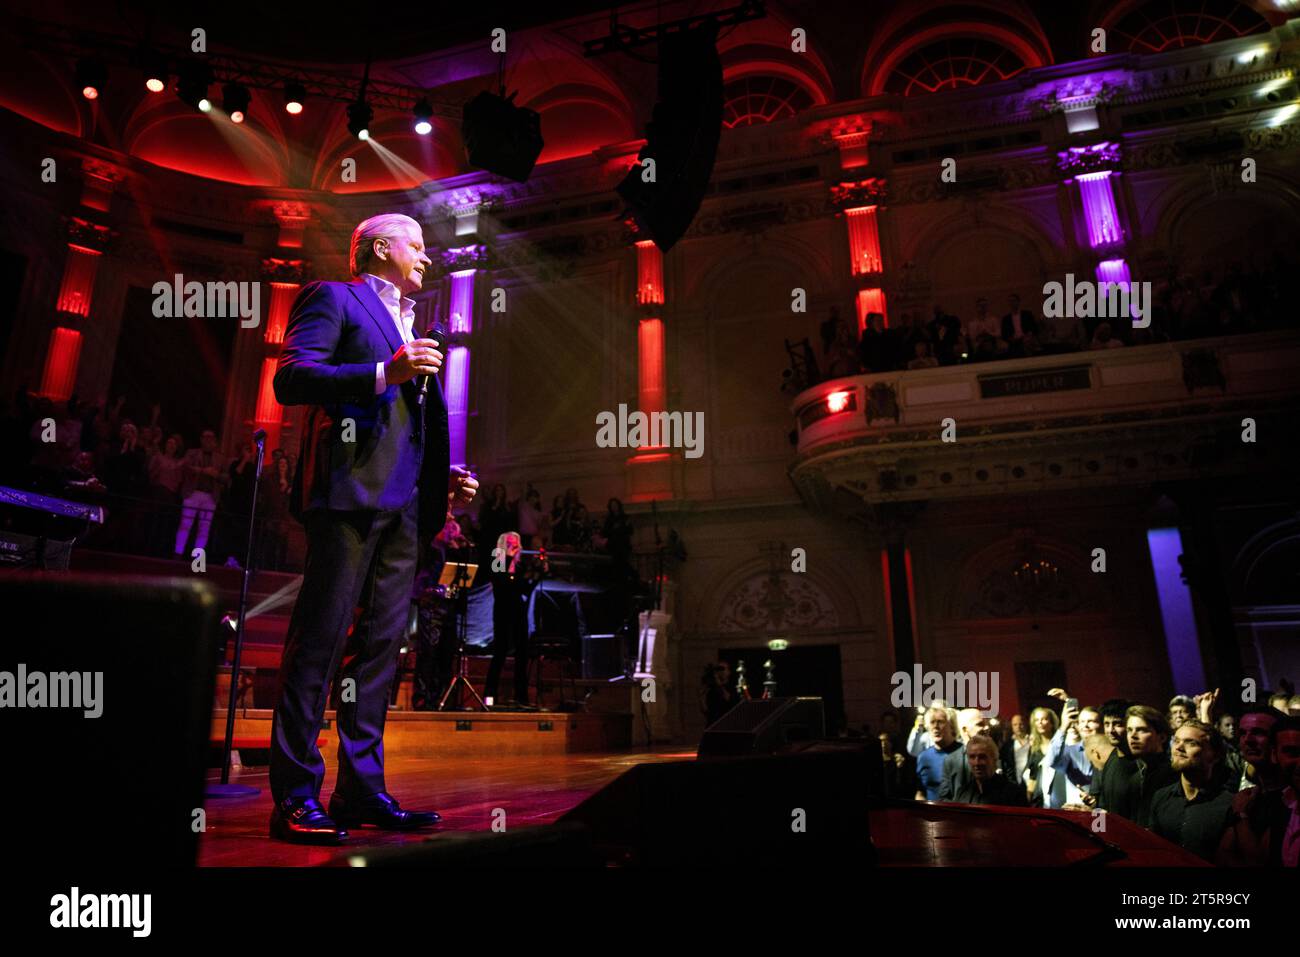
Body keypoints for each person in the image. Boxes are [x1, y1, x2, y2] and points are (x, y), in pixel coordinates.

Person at [267, 212, 478, 845]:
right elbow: (291, 378)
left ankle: (361, 790)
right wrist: (385, 371)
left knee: (380, 653)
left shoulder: (413, 323)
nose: (427, 255)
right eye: (417, 244)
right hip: (348, 496)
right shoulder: (334, 297)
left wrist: (443, 482)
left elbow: (408, 425)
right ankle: (297, 796)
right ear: (381, 248)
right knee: (320, 643)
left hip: (406, 510)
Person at [1147, 720, 1234, 862]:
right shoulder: (1161, 797)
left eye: (1191, 743)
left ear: (1215, 755)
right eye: (1176, 741)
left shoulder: (1229, 805)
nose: (1179, 747)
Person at [485, 531, 544, 710]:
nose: (515, 546)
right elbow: (499, 582)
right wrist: (509, 558)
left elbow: (524, 589)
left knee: (522, 654)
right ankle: (490, 696)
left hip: (518, 610)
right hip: (502, 610)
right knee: (500, 652)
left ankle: (522, 698)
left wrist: (538, 572)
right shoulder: (497, 557)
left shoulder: (520, 565)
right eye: (511, 542)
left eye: (517, 542)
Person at [173, 429, 228, 558]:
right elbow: (185, 466)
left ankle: (197, 559)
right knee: (185, 524)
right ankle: (178, 554)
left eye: (211, 437)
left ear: (214, 440)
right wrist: (203, 471)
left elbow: (226, 477)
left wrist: (217, 475)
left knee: (204, 528)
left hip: (210, 496)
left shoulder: (220, 457)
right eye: (205, 437)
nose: (208, 440)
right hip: (192, 493)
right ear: (201, 439)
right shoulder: (192, 453)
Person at [1127, 705, 1178, 827]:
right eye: (1129, 730)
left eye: (1142, 730)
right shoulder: (1136, 777)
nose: (1133, 736)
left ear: (1162, 737)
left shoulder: (1173, 775)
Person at [951, 735, 1027, 807]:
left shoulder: (1014, 794)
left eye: (982, 757)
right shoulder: (962, 793)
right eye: (972, 757)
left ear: (995, 759)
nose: (976, 763)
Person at [915, 706, 961, 801]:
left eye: (940, 722)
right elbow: (920, 791)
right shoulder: (923, 757)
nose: (935, 726)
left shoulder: (964, 753)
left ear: (952, 726)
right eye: (932, 722)